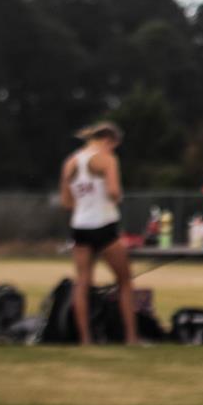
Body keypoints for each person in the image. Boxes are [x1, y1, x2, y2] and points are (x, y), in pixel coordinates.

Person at [57, 121, 138, 346]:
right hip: (104, 225)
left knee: (82, 282)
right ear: (108, 140)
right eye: (113, 146)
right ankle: (131, 337)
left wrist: (84, 204)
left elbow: (66, 202)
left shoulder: (70, 162)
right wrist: (114, 197)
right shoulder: (107, 159)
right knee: (124, 280)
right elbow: (113, 191)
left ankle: (85, 339)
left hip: (80, 226)